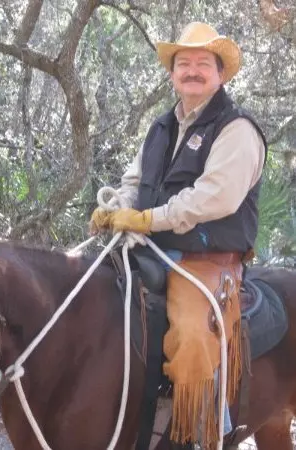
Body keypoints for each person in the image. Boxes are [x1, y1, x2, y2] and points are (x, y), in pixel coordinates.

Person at [90, 22, 267, 448]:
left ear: (220, 73)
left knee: (190, 338)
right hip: (149, 250)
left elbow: (213, 198)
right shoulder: (161, 126)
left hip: (205, 261)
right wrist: (117, 210)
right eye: (183, 63)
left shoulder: (237, 128)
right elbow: (134, 180)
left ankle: (200, 435)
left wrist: (148, 220)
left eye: (202, 64)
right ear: (172, 74)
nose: (192, 71)